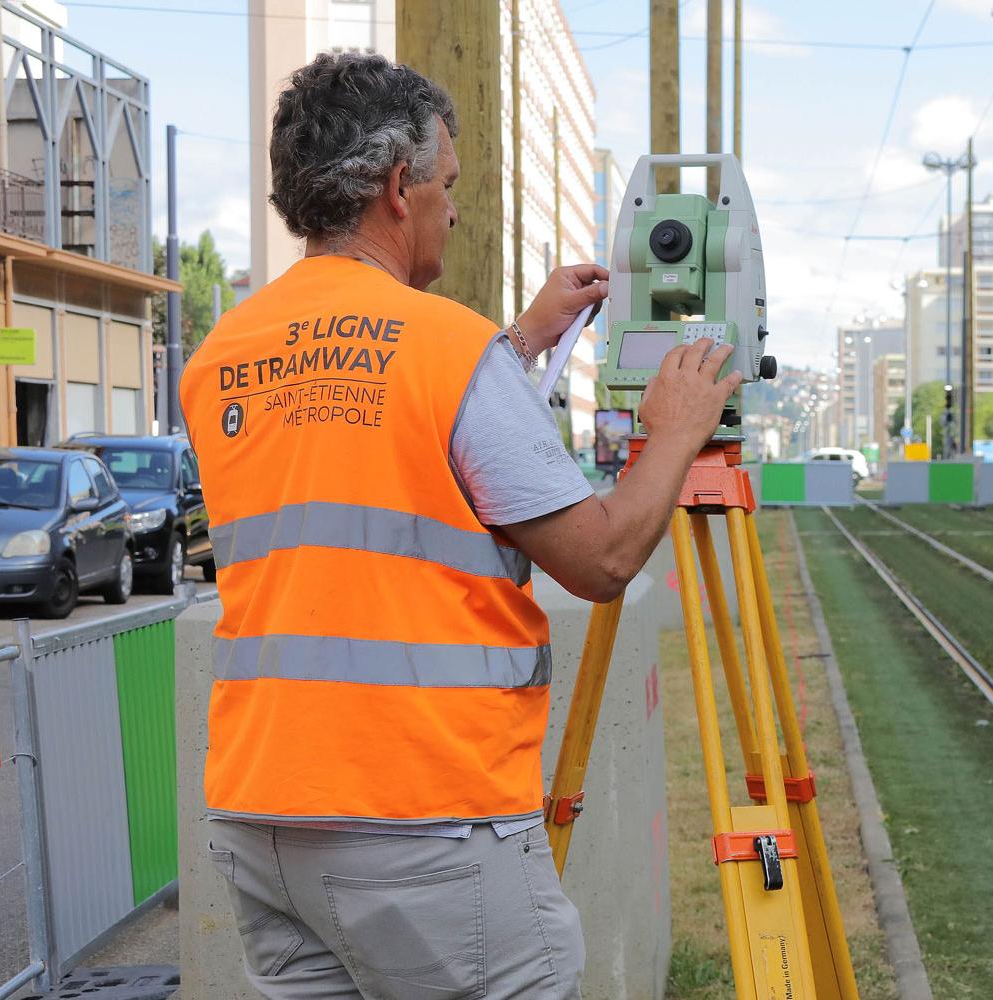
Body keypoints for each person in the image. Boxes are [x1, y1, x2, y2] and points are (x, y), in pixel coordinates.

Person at [179, 53, 740, 999]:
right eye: (447, 185)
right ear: (399, 188)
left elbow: (356, 426)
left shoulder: (221, 355)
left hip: (263, 813)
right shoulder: (446, 348)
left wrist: (517, 344)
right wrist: (676, 434)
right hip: (421, 819)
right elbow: (600, 558)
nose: (453, 207)